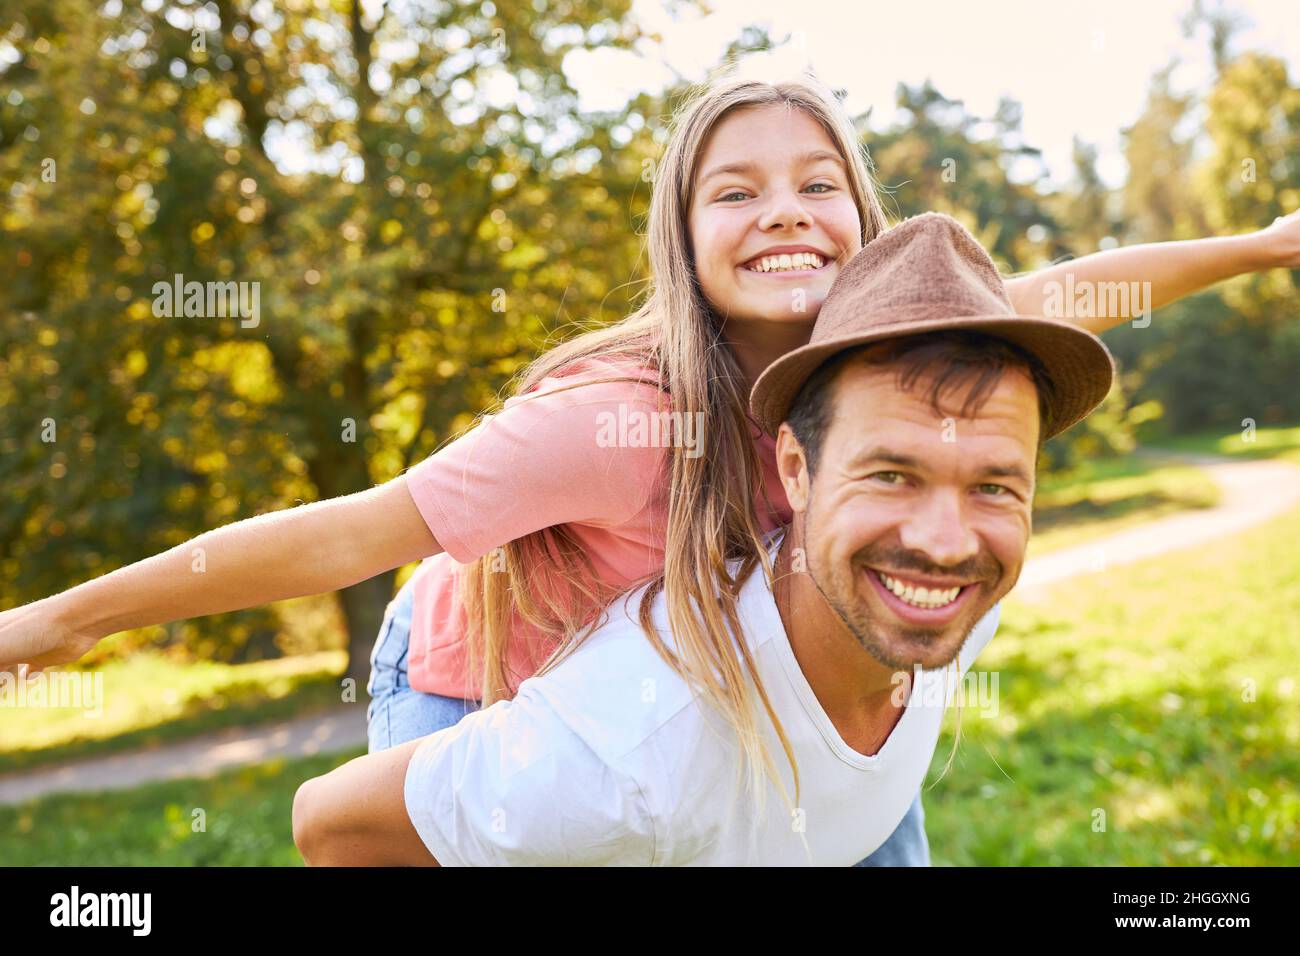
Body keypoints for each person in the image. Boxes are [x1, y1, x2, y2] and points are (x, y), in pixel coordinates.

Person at [3, 65, 1298, 866]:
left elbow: (1077, 290)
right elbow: (354, 533)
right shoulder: (616, 420)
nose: (783, 208)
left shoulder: (884, 352)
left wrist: (1263, 244)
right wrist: (66, 620)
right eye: (735, 193)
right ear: (681, 240)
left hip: (685, 665)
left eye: (816, 184)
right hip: (479, 682)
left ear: (864, 219)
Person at [290, 212, 1116, 865]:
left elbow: (1082, 288)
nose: (945, 543)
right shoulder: (624, 754)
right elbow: (329, 823)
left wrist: (1247, 251)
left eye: (994, 486)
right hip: (461, 651)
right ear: (795, 471)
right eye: (890, 476)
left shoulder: (943, 603)